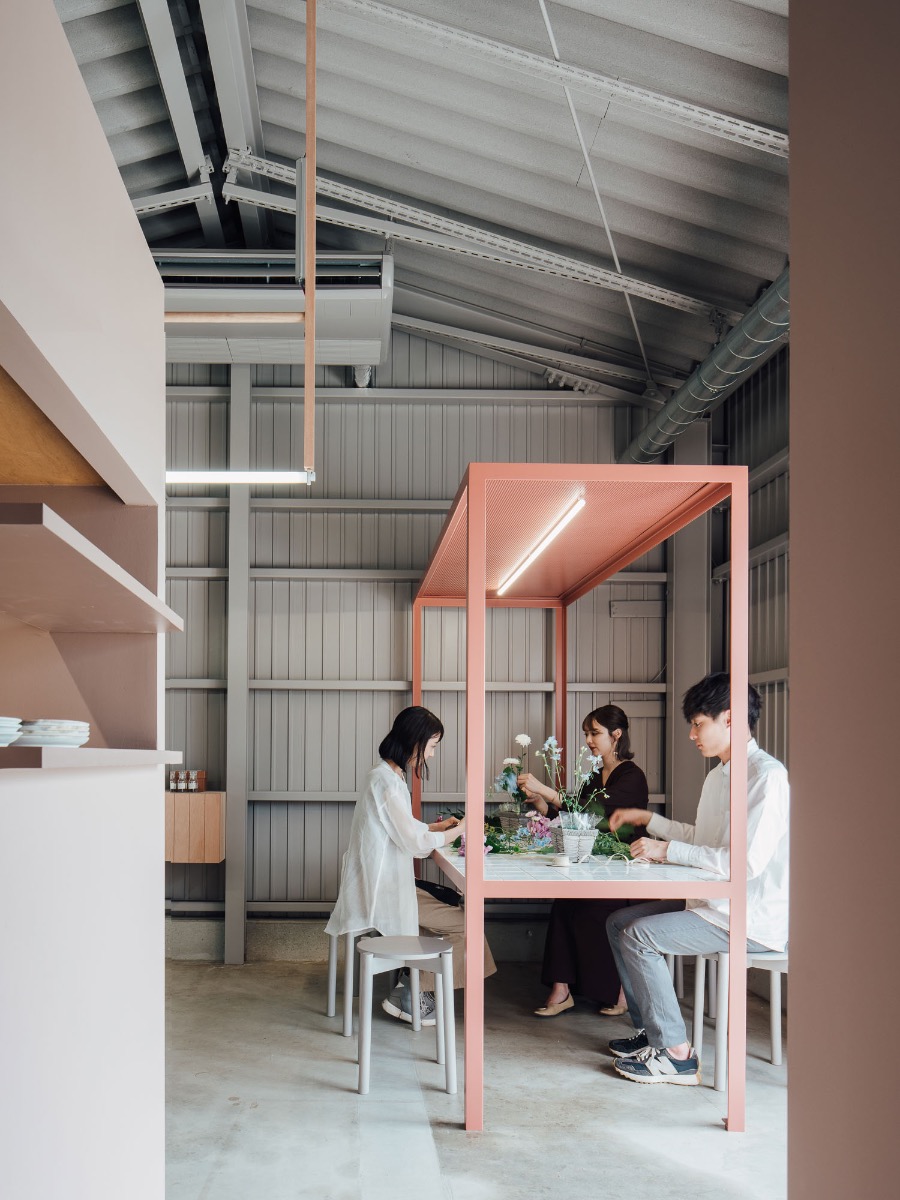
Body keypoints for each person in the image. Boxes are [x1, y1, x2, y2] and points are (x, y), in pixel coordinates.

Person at [604, 672, 789, 1085]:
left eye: (698, 723)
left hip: (746, 916)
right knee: (619, 923)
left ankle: (676, 1055)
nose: (692, 734)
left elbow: (743, 863)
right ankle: (654, 1032)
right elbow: (704, 841)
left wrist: (666, 851)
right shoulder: (719, 775)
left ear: (730, 717)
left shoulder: (766, 777)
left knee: (639, 936)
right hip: (713, 903)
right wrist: (649, 820)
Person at [325, 705, 497, 1026]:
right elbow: (414, 844)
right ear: (415, 741)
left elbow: (400, 829)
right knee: (466, 924)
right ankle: (412, 994)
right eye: (432, 746)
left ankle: (415, 987)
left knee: (451, 912)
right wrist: (463, 829)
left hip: (379, 882)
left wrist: (436, 828)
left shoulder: (387, 776)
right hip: (383, 890)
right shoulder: (387, 782)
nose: (431, 754)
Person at [516, 705, 649, 1017]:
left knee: (592, 908)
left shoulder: (632, 777)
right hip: (593, 864)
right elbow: (575, 816)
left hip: (624, 869)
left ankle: (619, 989)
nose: (588, 740)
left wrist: (546, 790)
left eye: (595, 733)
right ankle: (561, 989)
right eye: (587, 733)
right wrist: (543, 804)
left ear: (617, 735)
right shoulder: (593, 776)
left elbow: (594, 811)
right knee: (564, 903)